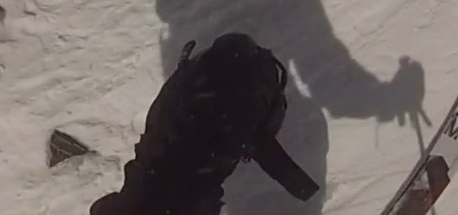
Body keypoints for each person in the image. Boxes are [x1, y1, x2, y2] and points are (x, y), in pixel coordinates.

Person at [90, 32, 320, 215]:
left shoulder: (189, 85)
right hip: (175, 186)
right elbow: (280, 165)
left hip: (156, 176)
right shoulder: (240, 118)